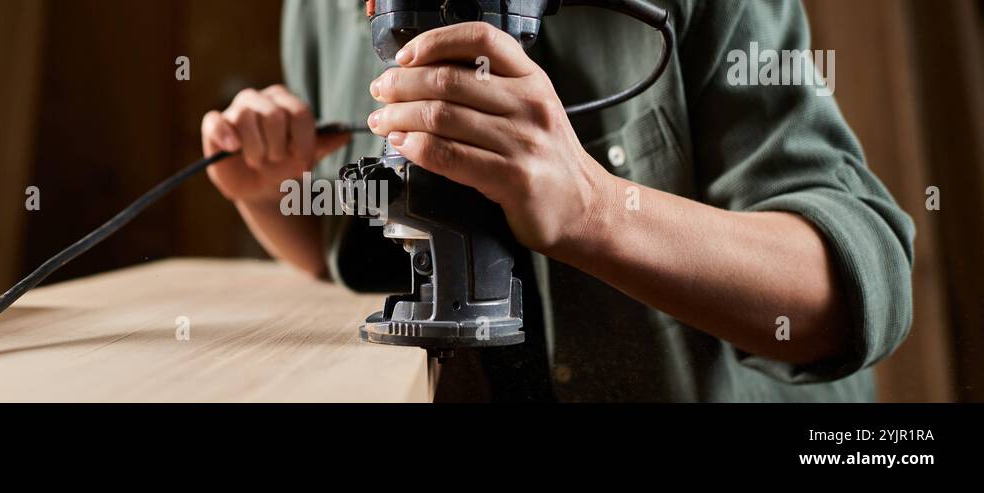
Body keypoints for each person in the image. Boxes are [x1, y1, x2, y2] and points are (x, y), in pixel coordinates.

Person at [199, 0, 914, 402]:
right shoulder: (321, 13)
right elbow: (361, 260)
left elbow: (854, 296)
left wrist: (592, 209)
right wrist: (268, 197)